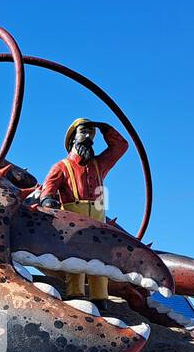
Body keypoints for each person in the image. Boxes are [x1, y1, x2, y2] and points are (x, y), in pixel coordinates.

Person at [37, 119, 129, 309]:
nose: (88, 137)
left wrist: (105, 128)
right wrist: (48, 200)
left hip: (97, 215)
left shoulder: (99, 164)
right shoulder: (61, 166)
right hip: (72, 214)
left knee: (101, 255)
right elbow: (48, 189)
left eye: (91, 133)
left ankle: (99, 297)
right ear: (73, 137)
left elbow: (121, 146)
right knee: (75, 254)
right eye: (83, 132)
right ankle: (75, 294)